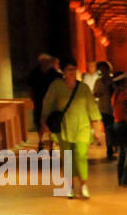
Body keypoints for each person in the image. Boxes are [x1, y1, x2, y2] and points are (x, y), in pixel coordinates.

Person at [39, 57, 104, 199]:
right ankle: (70, 186)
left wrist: (97, 127)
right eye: (69, 70)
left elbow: (92, 107)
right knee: (68, 158)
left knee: (81, 155)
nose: (72, 73)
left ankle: (84, 185)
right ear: (63, 71)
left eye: (74, 69)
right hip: (64, 127)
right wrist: (44, 122)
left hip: (82, 126)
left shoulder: (83, 88)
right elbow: (48, 104)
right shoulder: (56, 86)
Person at [28, 54, 61, 149]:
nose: (46, 63)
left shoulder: (53, 73)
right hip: (39, 101)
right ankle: (41, 141)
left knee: (51, 122)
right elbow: (30, 87)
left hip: (51, 102)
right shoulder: (34, 73)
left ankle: (51, 144)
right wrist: (33, 98)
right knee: (39, 122)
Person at [110, 74, 127, 187]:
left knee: (122, 153)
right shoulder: (123, 95)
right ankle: (126, 178)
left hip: (116, 124)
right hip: (123, 125)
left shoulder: (114, 95)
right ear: (123, 82)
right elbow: (125, 113)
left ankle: (120, 178)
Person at [91, 61, 115, 160]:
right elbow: (95, 93)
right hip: (104, 108)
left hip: (114, 107)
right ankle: (110, 148)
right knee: (108, 128)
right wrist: (100, 94)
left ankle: (114, 146)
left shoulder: (113, 80)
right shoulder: (98, 81)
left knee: (114, 128)